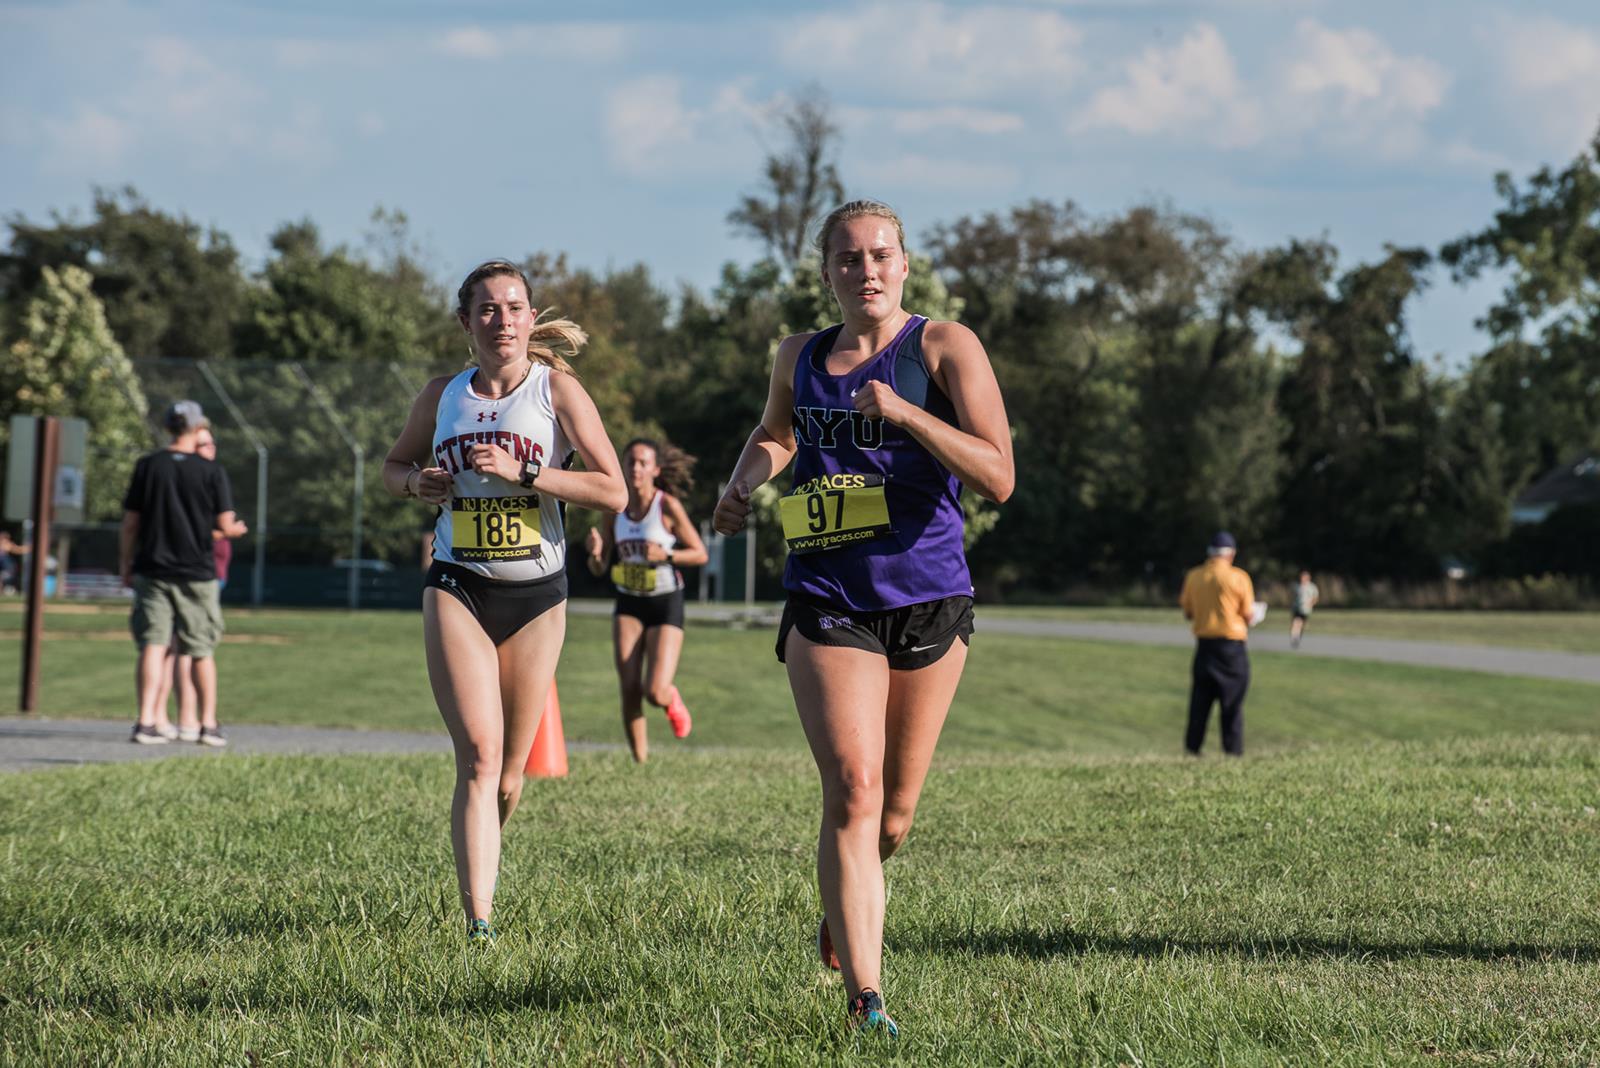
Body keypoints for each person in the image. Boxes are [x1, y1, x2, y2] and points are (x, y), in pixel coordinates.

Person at [712, 200, 1014, 1036]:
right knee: (852, 789)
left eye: (881, 255)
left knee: (894, 816)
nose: (866, 270)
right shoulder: (798, 355)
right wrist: (745, 482)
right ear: (827, 274)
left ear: (905, 264)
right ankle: (867, 1000)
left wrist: (911, 414)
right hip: (827, 596)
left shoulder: (944, 348)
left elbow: (999, 476)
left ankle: (846, 907)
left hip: (928, 598)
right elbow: (776, 433)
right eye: (848, 259)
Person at [383, 259, 625, 943]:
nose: (503, 320)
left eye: (515, 307)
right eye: (487, 309)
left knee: (511, 777)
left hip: (538, 595)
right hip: (459, 582)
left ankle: (488, 841)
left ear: (530, 317)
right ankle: (478, 924)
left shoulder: (557, 392)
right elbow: (392, 466)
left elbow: (613, 490)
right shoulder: (441, 395)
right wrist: (416, 485)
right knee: (479, 758)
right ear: (466, 323)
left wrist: (527, 471)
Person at [120, 402, 248, 745]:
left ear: (168, 427)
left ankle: (146, 721)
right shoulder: (211, 471)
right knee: (201, 649)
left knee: (153, 643)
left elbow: (131, 523)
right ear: (196, 428)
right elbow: (223, 524)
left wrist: (125, 564)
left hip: (153, 567)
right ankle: (207, 724)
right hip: (197, 572)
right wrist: (236, 530)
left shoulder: (148, 466)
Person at [584, 438, 708, 761]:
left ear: (655, 469)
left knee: (653, 691)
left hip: (665, 600)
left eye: (642, 463)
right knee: (628, 688)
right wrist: (596, 554)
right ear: (623, 468)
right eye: (630, 463)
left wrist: (665, 554)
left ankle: (670, 699)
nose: (636, 468)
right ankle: (641, 761)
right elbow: (599, 567)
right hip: (628, 602)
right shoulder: (616, 509)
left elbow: (700, 553)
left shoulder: (667, 506)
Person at [150, 425, 242, 745]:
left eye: (211, 443)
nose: (209, 447)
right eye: (203, 443)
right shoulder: (193, 476)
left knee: (179, 646)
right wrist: (228, 531)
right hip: (196, 572)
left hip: (209, 568)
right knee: (187, 646)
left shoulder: (206, 475)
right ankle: (188, 718)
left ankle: (166, 716)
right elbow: (189, 533)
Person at [1178, 531, 1256, 756]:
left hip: (1204, 647)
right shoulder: (1239, 577)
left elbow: (1188, 612)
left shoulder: (1194, 576)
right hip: (1231, 646)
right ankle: (1232, 752)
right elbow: (1248, 614)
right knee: (1231, 703)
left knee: (1200, 702)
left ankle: (1192, 750)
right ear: (1230, 555)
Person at [1290, 569, 1319, 648]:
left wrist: (1310, 604)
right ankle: (1294, 637)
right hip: (1296, 608)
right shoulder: (1297, 586)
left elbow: (1315, 598)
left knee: (1301, 624)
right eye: (1301, 577)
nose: (1302, 578)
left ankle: (1298, 636)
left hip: (1305, 609)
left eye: (1304, 577)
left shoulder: (1312, 587)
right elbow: (1293, 596)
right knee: (1296, 622)